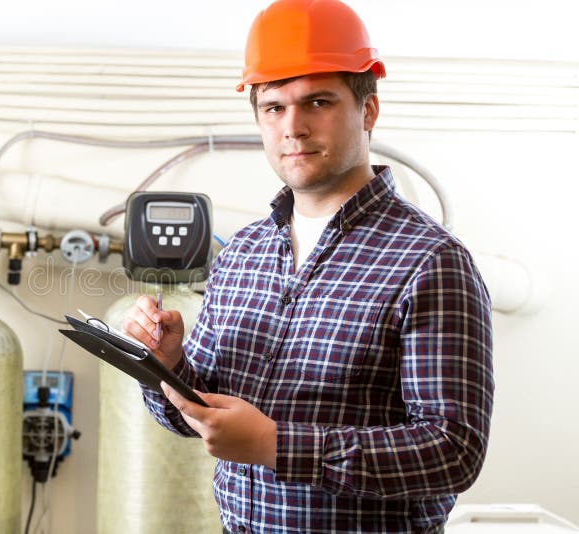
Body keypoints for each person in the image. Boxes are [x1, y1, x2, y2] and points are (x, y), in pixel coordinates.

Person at [122, 0, 494, 532]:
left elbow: (453, 451)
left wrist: (277, 445)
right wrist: (168, 364)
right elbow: (202, 419)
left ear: (368, 110)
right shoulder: (244, 253)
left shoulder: (430, 262)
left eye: (317, 101)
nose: (292, 126)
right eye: (273, 107)